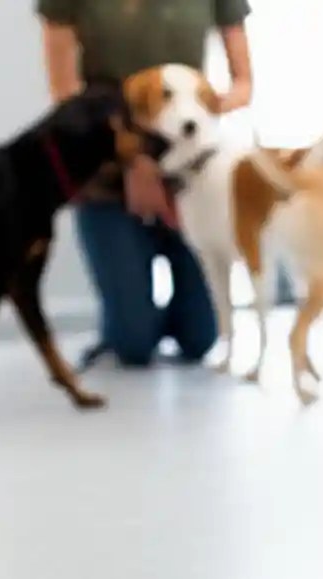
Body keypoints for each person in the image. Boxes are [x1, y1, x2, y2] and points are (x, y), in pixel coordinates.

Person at [37, 0, 253, 367]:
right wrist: (134, 157)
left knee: (200, 339)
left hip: (188, 164)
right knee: (132, 344)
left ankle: (166, 310)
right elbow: (65, 92)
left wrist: (194, 111)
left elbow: (242, 84)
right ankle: (127, 322)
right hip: (106, 159)